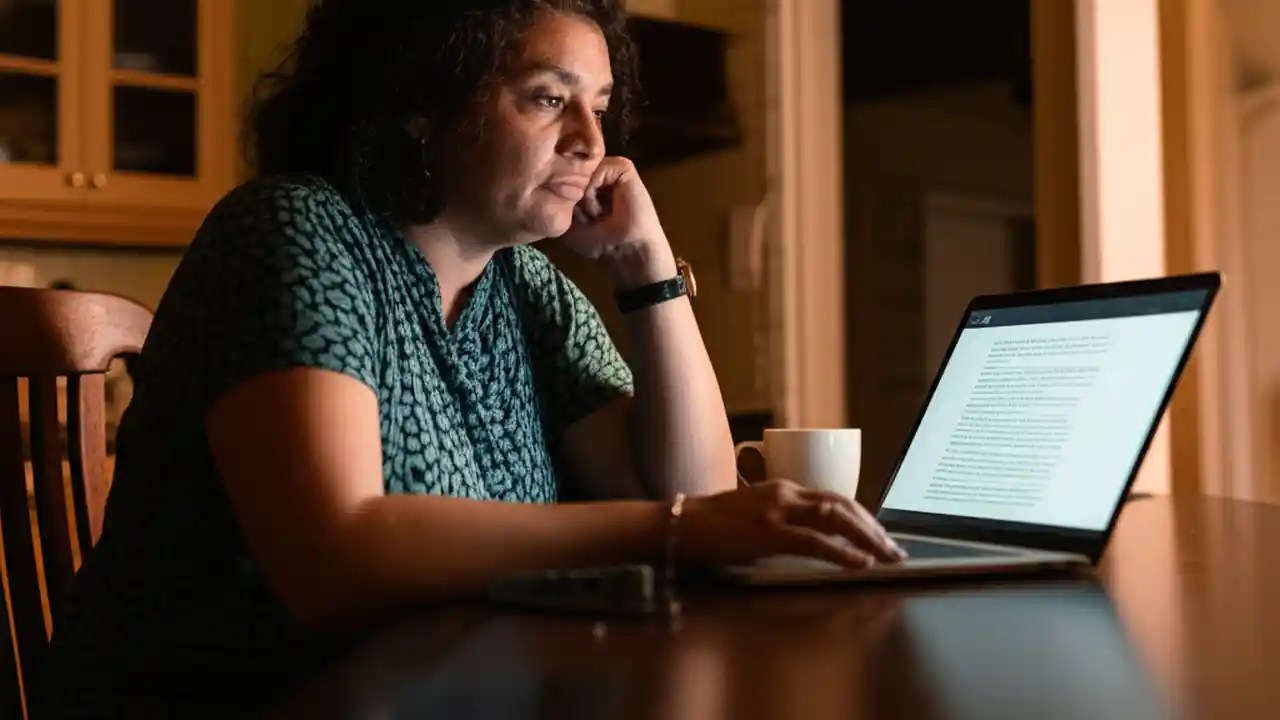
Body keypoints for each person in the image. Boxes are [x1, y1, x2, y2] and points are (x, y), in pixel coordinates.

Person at [49, 0, 903, 707]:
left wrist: (648, 272)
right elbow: (333, 554)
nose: (591, 143)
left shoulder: (524, 285)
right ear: (425, 104)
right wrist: (678, 531)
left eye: (599, 108)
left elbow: (696, 490)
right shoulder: (297, 231)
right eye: (546, 98)